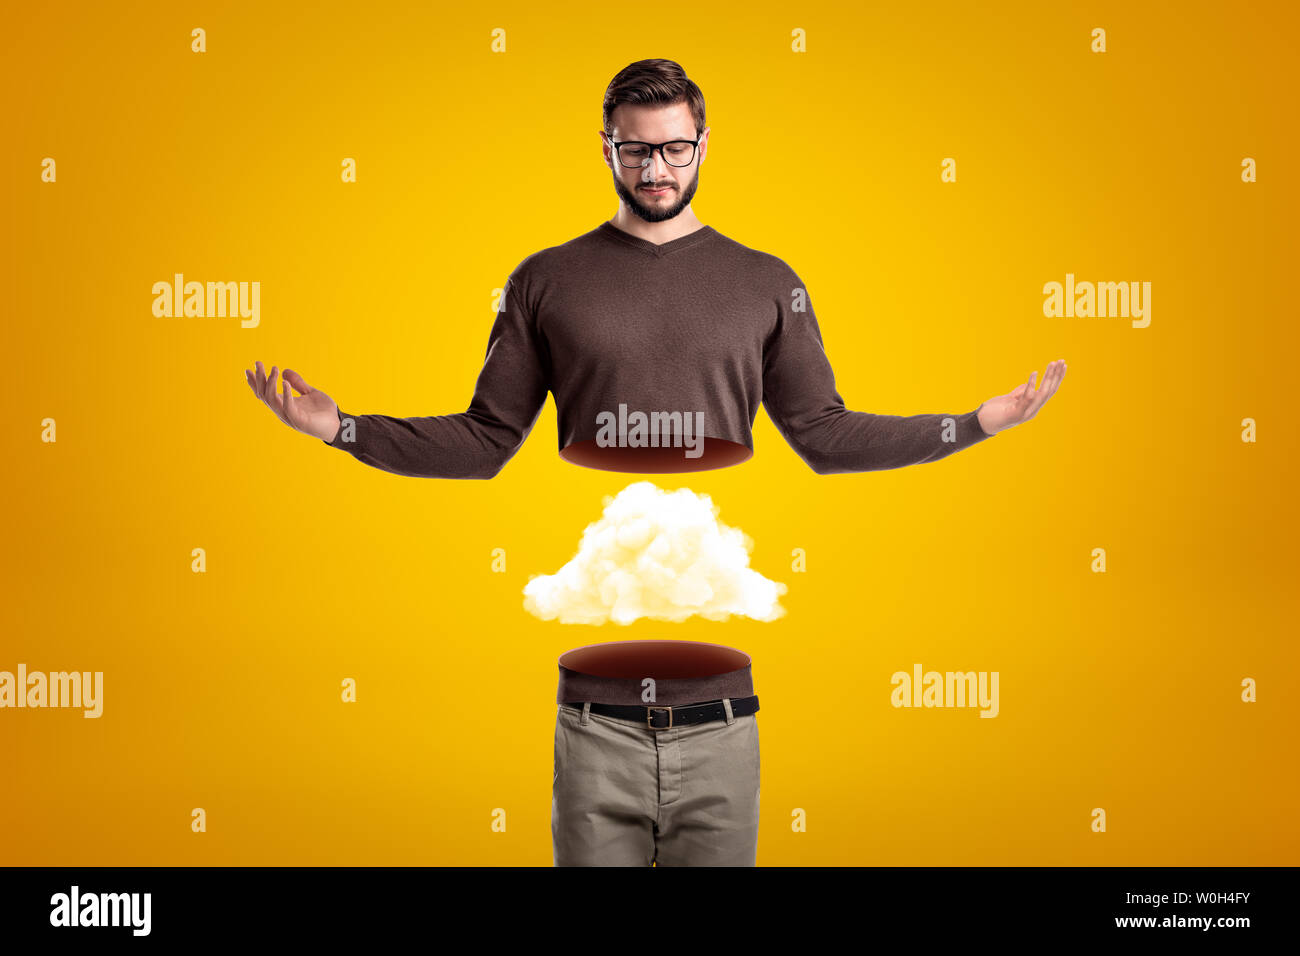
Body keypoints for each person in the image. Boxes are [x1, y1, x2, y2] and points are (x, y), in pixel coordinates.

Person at [245, 59, 1065, 477]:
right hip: (580, 561)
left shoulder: (767, 280)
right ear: (608, 149)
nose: (656, 169)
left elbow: (822, 436)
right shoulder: (543, 278)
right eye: (635, 149)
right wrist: (342, 430)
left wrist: (976, 423)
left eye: (675, 147)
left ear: (703, 147)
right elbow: (488, 441)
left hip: (733, 569)